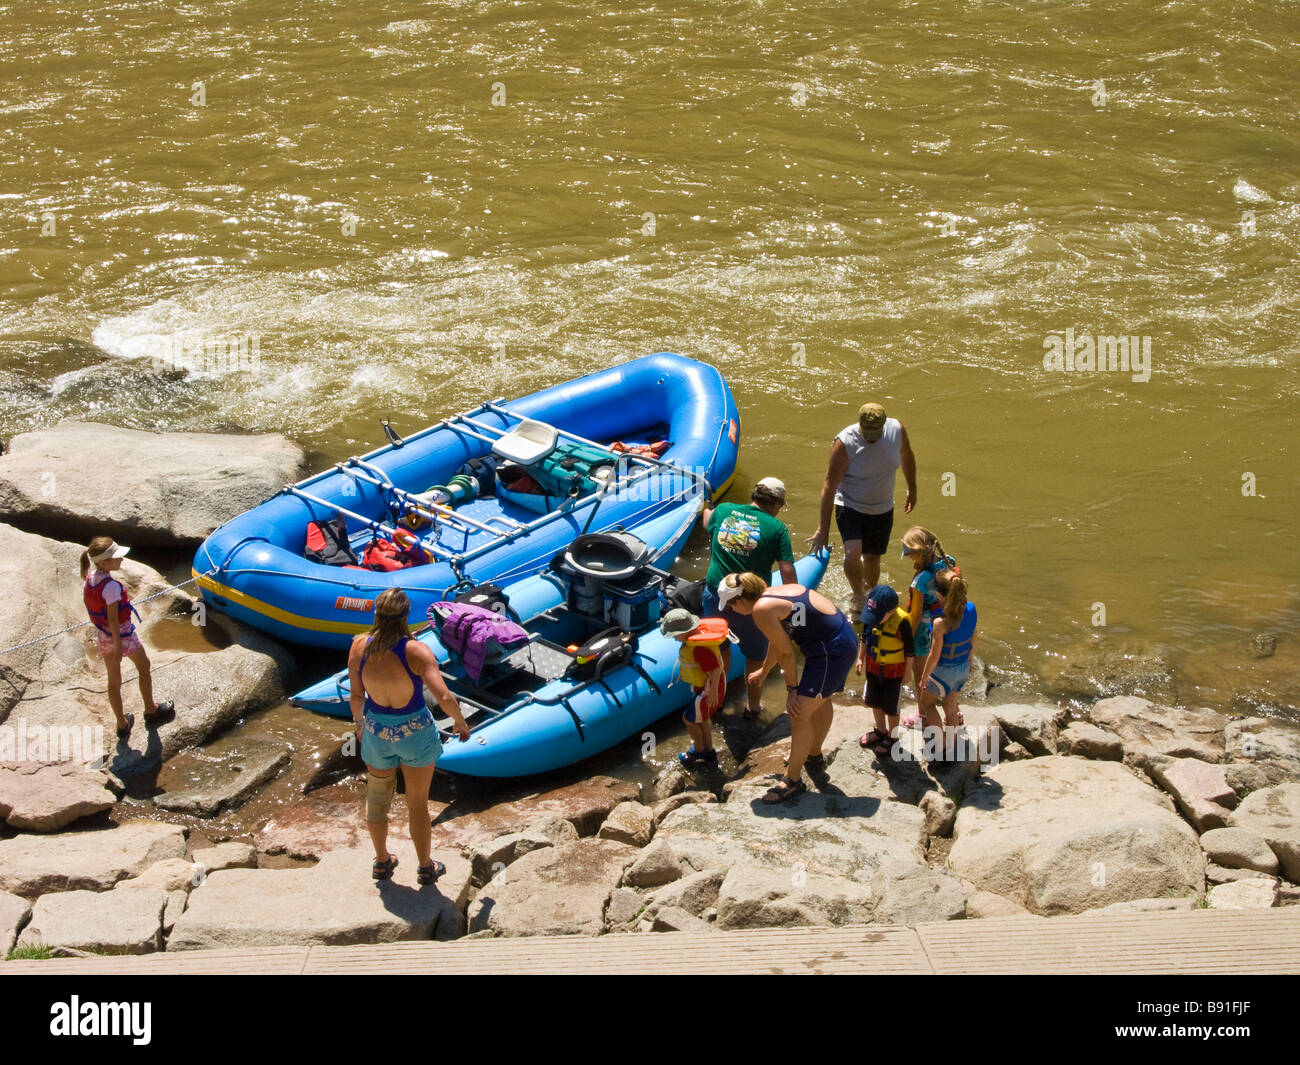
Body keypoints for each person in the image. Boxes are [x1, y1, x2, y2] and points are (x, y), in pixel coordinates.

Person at [348, 588, 471, 884]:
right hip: (415, 733)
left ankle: (381, 861)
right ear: (405, 615)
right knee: (417, 803)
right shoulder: (416, 651)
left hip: (377, 731)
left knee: (377, 799)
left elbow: (356, 696)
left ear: (376, 613)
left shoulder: (358, 647)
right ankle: (426, 867)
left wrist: (359, 725)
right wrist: (460, 722)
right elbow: (443, 695)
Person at [720, 572, 858, 803]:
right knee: (821, 700)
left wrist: (792, 689)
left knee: (798, 713)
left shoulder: (761, 610)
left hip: (830, 652)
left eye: (731, 606)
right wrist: (763, 672)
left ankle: (792, 781)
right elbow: (780, 640)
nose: (731, 611)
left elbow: (786, 653)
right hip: (841, 641)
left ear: (741, 601)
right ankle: (813, 756)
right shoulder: (776, 593)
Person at [700, 477, 797, 721]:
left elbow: (706, 522)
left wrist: (706, 509)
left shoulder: (723, 510)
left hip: (717, 596)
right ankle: (753, 707)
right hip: (753, 604)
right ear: (776, 503)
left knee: (719, 650)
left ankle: (717, 702)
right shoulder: (777, 528)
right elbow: (786, 570)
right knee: (755, 656)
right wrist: (794, 606)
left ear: (754, 495)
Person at [806, 403, 917, 613]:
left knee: (873, 557)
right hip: (850, 503)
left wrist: (912, 488)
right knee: (853, 552)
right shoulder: (845, 442)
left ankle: (870, 592)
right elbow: (829, 486)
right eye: (867, 433)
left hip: (882, 506)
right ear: (860, 425)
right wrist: (823, 530)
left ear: (885, 425)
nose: (871, 437)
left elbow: (907, 456)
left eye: (876, 433)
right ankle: (857, 595)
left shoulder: (897, 430)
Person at [80, 537, 173, 740]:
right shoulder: (111, 587)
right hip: (122, 635)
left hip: (103, 635)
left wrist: (105, 636)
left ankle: (122, 724)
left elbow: (93, 612)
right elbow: (113, 618)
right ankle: (151, 710)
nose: (121, 559)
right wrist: (120, 649)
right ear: (104, 563)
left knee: (114, 681)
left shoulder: (90, 579)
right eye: (116, 557)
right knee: (144, 666)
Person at [661, 608, 731, 770]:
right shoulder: (695, 641)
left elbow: (714, 669)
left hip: (708, 690)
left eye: (675, 635)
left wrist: (712, 692)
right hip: (707, 687)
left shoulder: (698, 648)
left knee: (689, 720)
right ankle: (709, 751)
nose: (674, 639)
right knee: (702, 719)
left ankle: (698, 751)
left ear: (685, 632)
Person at [918, 569, 976, 762]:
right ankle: (951, 747)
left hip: (943, 671)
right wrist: (970, 659)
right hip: (962, 668)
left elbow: (935, 655)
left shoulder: (940, 623)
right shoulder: (971, 609)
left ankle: (940, 747)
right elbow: (974, 636)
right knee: (950, 708)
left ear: (940, 595)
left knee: (928, 704)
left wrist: (925, 676)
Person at [900, 526, 960, 707]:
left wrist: (906, 642)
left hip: (924, 635)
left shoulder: (920, 581)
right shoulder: (949, 563)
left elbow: (916, 616)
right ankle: (954, 710)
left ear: (917, 554)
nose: (909, 559)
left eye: (910, 555)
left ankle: (923, 714)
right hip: (947, 625)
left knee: (921, 677)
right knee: (943, 672)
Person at [854, 585, 915, 759]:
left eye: (878, 616)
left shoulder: (901, 622)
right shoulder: (872, 619)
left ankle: (893, 738)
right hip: (873, 669)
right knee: (874, 701)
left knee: (891, 708)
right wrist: (860, 658)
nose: (873, 620)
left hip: (893, 673)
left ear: (892, 611)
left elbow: (910, 650)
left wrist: (908, 672)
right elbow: (865, 638)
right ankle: (881, 731)